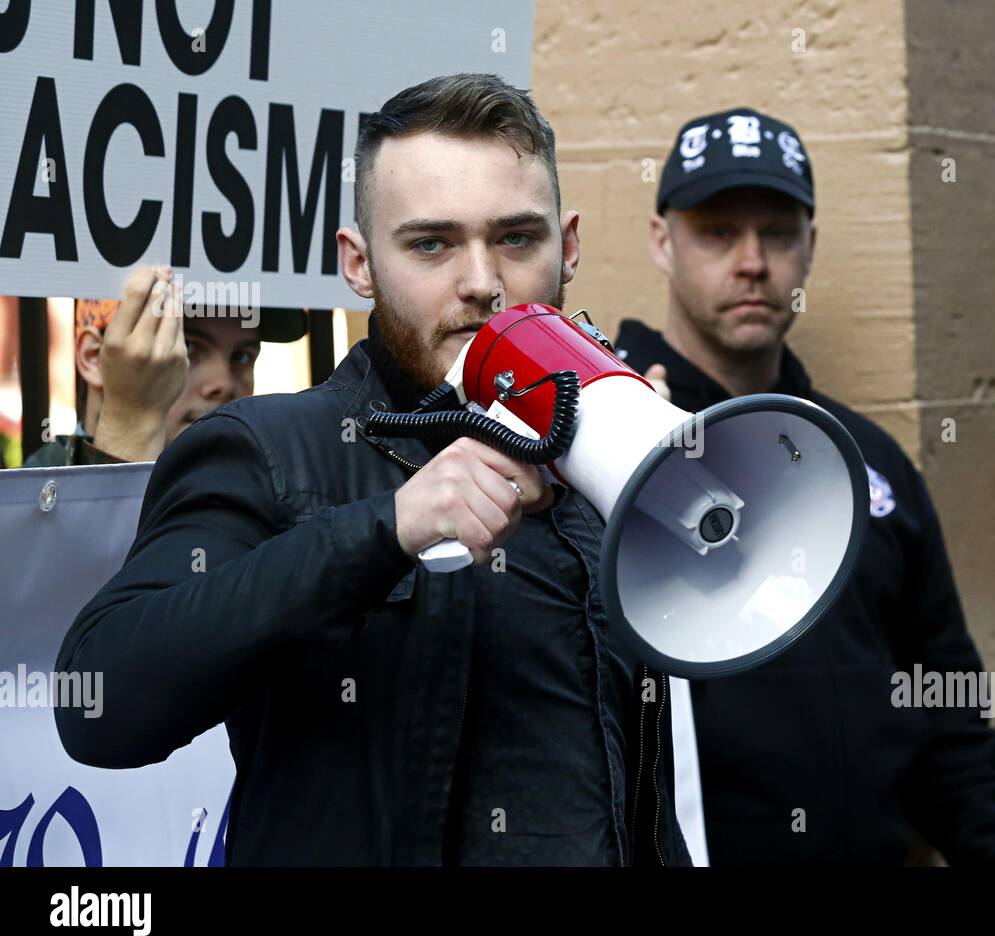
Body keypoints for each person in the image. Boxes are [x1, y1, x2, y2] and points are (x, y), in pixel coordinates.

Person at [54, 73, 691, 866]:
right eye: (431, 243)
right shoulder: (268, 447)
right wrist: (386, 530)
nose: (482, 283)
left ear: (568, 246)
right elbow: (100, 704)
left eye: (516, 239)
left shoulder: (597, 461)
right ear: (358, 264)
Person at [614, 108, 995, 864]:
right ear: (661, 242)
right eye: (717, 232)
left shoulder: (867, 464)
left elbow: (950, 713)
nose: (752, 262)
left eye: (777, 233)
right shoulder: (603, 448)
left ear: (811, 246)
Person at [22, 278, 307, 467]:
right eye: (184, 347)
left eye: (242, 356)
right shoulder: (25, 505)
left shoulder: (264, 503)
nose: (223, 382)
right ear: (94, 358)